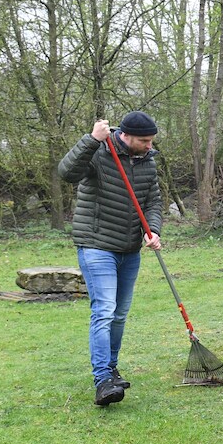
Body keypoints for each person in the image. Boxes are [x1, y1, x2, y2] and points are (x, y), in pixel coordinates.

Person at [57, 111, 162, 406]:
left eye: (152, 141)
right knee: (104, 310)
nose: (149, 146)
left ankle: (112, 368)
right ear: (125, 136)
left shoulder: (147, 161)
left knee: (119, 314)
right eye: (144, 141)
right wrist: (90, 140)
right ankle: (103, 380)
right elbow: (66, 173)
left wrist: (152, 230)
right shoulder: (99, 152)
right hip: (96, 245)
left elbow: (153, 201)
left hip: (129, 249)